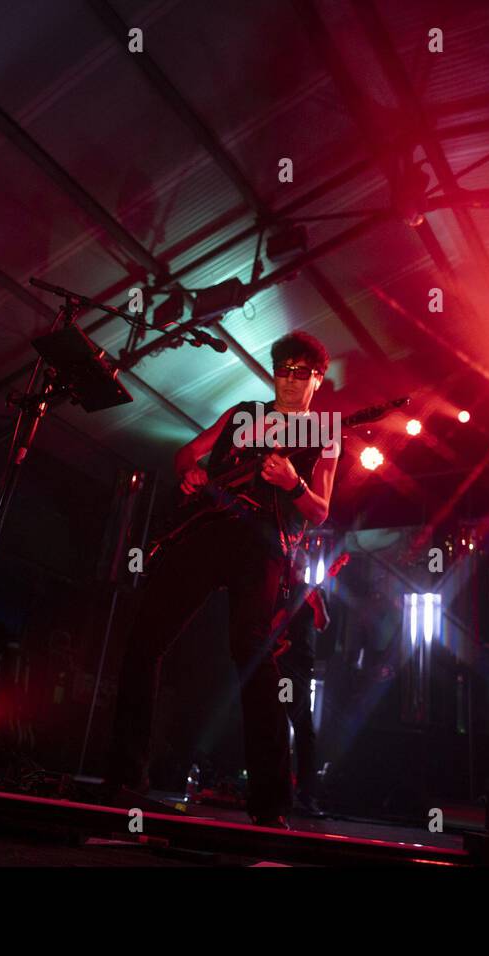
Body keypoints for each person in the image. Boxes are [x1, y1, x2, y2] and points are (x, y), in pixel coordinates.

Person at [106, 332, 340, 827]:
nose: (291, 380)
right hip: (206, 534)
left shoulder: (326, 431)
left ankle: (271, 803)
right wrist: (190, 473)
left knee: (252, 655)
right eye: (284, 369)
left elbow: (319, 511)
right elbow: (187, 455)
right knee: (145, 639)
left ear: (319, 378)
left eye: (303, 372)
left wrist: (291, 483)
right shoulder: (241, 415)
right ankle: (125, 775)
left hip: (262, 548)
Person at [273, 550, 331, 814]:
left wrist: (317, 605)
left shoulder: (311, 592)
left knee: (302, 727)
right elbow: (270, 624)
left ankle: (303, 793)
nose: (299, 570)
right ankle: (285, 789)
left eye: (301, 566)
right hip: (282, 663)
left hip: (301, 664)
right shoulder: (281, 592)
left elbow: (323, 623)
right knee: (287, 723)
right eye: (297, 565)